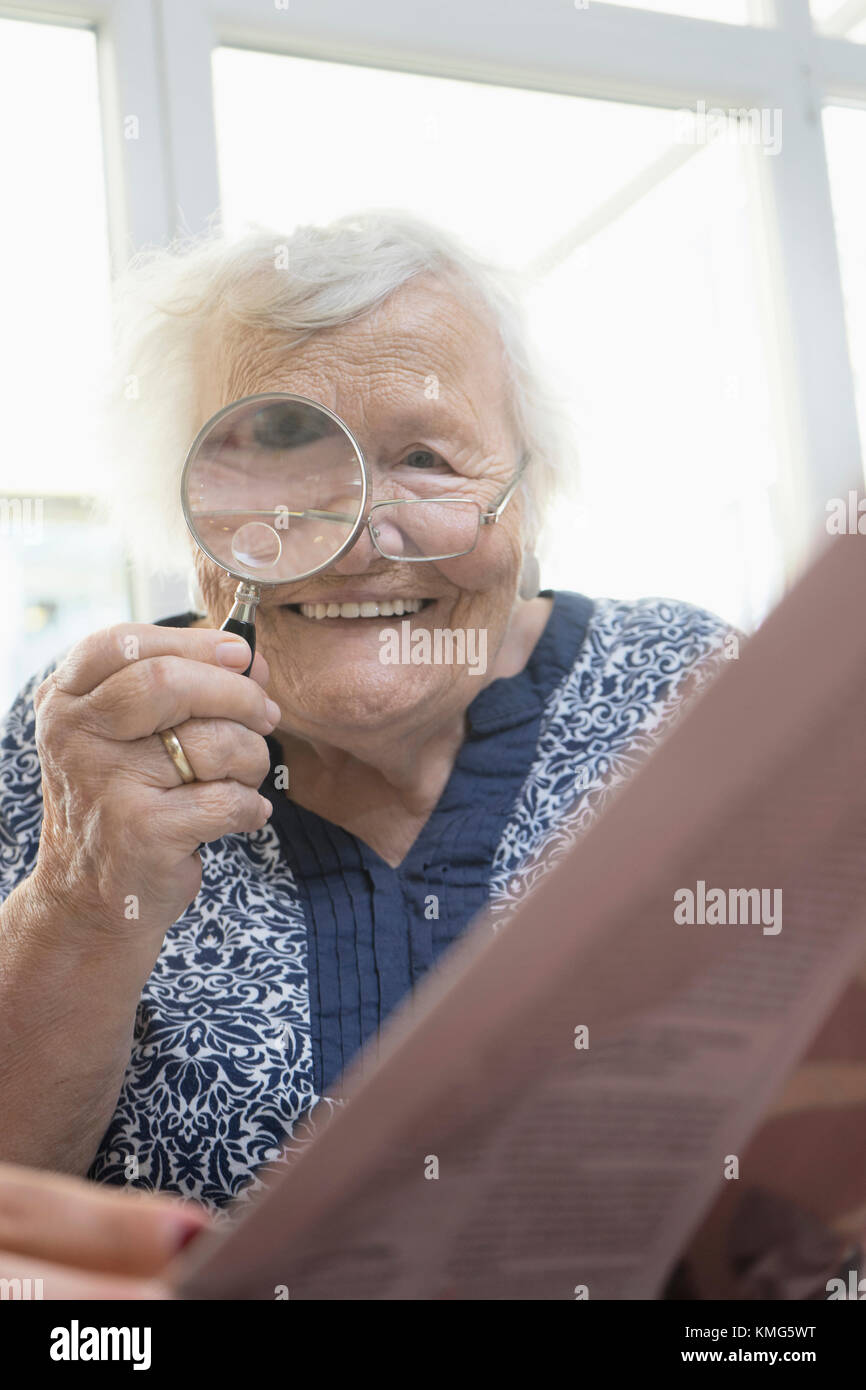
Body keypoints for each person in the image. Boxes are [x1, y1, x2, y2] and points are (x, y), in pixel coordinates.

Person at [0, 211, 729, 1215]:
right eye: (276, 459)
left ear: (528, 491)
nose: (354, 544)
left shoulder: (695, 694)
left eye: (424, 458)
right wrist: (77, 906)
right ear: (184, 513)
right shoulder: (79, 746)